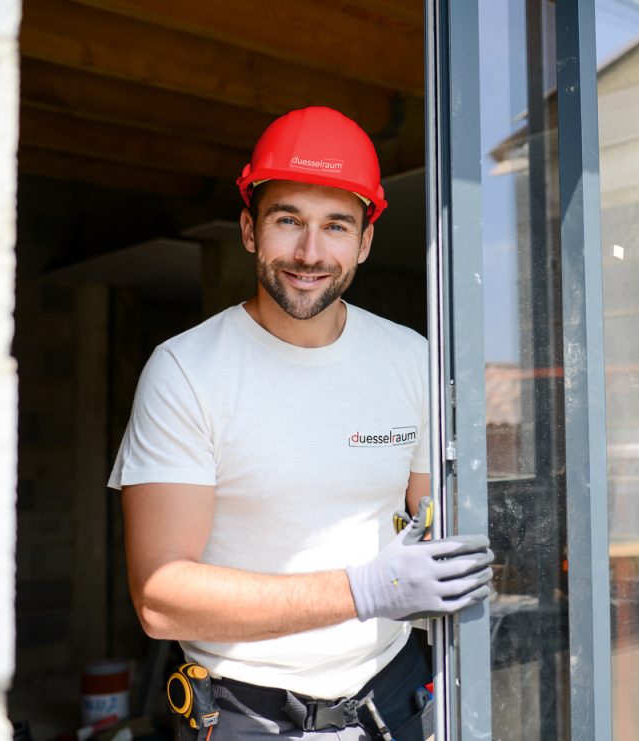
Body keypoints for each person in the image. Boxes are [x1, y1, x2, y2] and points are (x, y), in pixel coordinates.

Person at [108, 106, 494, 740]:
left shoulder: (409, 358)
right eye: (288, 220)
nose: (311, 253)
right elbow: (159, 597)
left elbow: (432, 526)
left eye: (336, 226)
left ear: (364, 241)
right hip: (245, 713)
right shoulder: (186, 370)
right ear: (249, 230)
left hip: (396, 700)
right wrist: (366, 590)